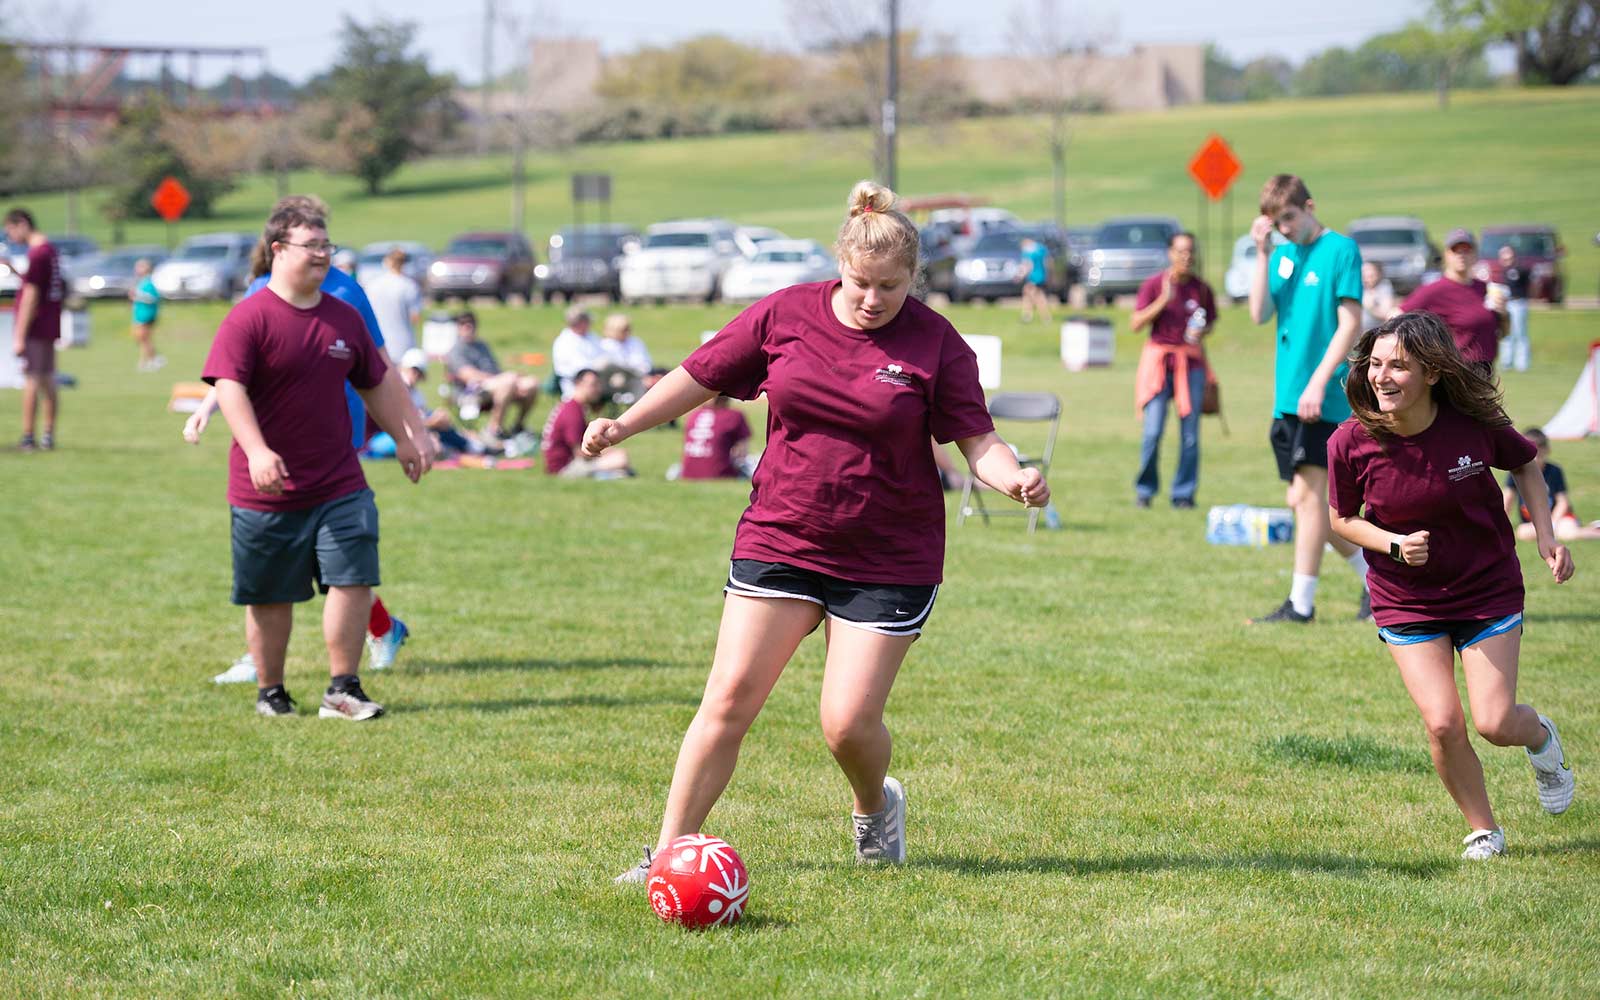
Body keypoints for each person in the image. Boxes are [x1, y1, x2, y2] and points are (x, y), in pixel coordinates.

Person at [597, 180, 1050, 884]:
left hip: (888, 556)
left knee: (845, 725)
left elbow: (977, 441)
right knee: (727, 699)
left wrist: (1014, 477)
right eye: (861, 284)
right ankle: (666, 856)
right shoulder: (785, 314)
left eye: (891, 289)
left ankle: (875, 803)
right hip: (783, 534)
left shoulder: (936, 344)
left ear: (914, 281)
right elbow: (698, 374)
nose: (873, 300)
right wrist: (624, 424)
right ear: (840, 266)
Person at [1328, 312, 1575, 860]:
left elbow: (1527, 465)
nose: (1382, 376)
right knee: (1442, 722)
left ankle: (1540, 740)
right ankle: (1484, 829)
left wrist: (1547, 538)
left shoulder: (1472, 423)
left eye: (1399, 366)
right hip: (1404, 597)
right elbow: (1342, 520)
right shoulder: (1350, 440)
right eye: (1375, 364)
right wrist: (1393, 544)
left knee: (1493, 721)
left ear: (1433, 373)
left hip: (1485, 588)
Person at [201, 199, 432, 720]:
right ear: (278, 250)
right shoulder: (248, 318)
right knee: (271, 596)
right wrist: (258, 451)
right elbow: (229, 388)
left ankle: (343, 690)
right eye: (313, 246)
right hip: (266, 486)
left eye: (328, 245)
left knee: (353, 579)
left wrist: (405, 436)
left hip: (339, 481)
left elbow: (376, 382)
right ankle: (271, 692)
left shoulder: (343, 317)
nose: (324, 255)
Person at [1247, 174, 1371, 624]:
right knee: (1307, 504)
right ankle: (1374, 580)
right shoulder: (1281, 256)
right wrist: (1262, 254)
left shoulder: (1341, 250)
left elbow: (1350, 322)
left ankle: (1301, 604)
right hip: (1287, 398)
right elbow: (1259, 312)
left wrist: (1320, 381)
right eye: (1276, 223)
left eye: (1290, 219)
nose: (1285, 228)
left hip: (1324, 398)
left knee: (1308, 498)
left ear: (1310, 206)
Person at [1130, 231, 1215, 509]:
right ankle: (1145, 490)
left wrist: (1202, 331)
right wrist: (1162, 301)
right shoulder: (1154, 285)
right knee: (1152, 431)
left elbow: (1210, 322)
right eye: (1181, 251)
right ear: (1170, 253)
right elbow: (1136, 323)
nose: (1186, 257)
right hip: (1159, 365)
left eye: (1190, 251)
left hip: (1190, 365)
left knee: (1190, 435)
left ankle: (1183, 493)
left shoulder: (1201, 289)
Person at [1400, 229, 1505, 369]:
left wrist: (1503, 313)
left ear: (1475, 255)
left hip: (1485, 366)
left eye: (1466, 250)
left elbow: (1501, 330)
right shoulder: (1434, 290)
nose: (1461, 255)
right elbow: (1397, 316)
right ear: (1446, 255)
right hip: (1457, 369)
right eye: (1456, 250)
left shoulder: (1484, 288)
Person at [6, 207, 64, 452]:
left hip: (36, 325)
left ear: (22, 224)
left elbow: (32, 294)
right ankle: (48, 436)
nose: (10, 237)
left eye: (10, 230)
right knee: (47, 378)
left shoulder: (38, 253)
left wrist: (19, 336)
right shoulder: (49, 250)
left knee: (32, 379)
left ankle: (28, 437)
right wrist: (17, 273)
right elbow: (36, 283)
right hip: (49, 323)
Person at [445, 310, 539, 438]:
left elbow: (496, 370)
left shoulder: (482, 345)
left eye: (471, 323)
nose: (468, 326)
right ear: (457, 327)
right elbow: (468, 376)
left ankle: (518, 426)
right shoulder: (456, 350)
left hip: (497, 384)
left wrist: (511, 378)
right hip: (472, 391)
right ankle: (493, 430)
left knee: (531, 383)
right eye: (463, 323)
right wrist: (504, 378)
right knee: (509, 382)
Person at [1503, 427, 1600, 542]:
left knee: (1569, 534)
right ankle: (1593, 528)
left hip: (1560, 519)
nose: (1535, 459)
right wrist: (1500, 524)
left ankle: (1595, 532)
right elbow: (1507, 499)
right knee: (1523, 533)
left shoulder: (1554, 471)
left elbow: (1563, 502)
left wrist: (1553, 523)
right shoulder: (1517, 471)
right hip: (1533, 523)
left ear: (1547, 450)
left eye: (1539, 453)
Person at [541, 368, 632, 477]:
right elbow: (579, 453)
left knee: (618, 460)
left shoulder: (571, 406)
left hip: (561, 464)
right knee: (620, 459)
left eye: (599, 385)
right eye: (593, 385)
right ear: (578, 384)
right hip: (564, 468)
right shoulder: (573, 412)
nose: (598, 389)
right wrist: (609, 452)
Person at [365, 247, 422, 360]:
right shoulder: (409, 285)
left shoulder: (372, 285)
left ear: (387, 261)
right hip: (403, 342)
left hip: (377, 341)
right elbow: (415, 317)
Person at [680, 396, 752, 479]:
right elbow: (742, 453)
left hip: (687, 472)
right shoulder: (735, 415)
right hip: (720, 473)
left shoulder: (694, 415)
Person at [550, 306, 606, 398]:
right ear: (580, 323)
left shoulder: (592, 336)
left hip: (598, 375)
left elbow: (603, 354)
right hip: (575, 381)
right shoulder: (564, 341)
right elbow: (570, 367)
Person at [1496, 245, 1531, 372]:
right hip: (1507, 304)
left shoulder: (1520, 269)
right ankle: (1507, 362)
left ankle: (1522, 364)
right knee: (1506, 333)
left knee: (1520, 333)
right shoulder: (1503, 271)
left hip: (1518, 303)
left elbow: (1530, 285)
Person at [129, 258, 164, 371]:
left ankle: (153, 360)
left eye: (140, 266)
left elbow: (153, 298)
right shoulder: (142, 282)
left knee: (144, 339)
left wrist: (137, 296)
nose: (137, 269)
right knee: (141, 339)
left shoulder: (148, 283)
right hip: (140, 314)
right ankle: (147, 361)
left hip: (146, 315)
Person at [1018, 237, 1052, 324]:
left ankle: (1044, 317)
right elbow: (1049, 262)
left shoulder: (1028, 252)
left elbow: (1028, 265)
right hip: (1042, 275)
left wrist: (1020, 276)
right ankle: (1027, 315)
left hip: (1033, 277)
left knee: (1037, 297)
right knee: (1028, 294)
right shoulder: (1041, 249)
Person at [1360, 260, 1398, 332]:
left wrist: (1370, 307)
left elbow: (1386, 314)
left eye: (1371, 276)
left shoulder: (1384, 287)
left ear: (1378, 274)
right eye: (1364, 275)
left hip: (1375, 331)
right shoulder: (1359, 288)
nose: (1366, 279)